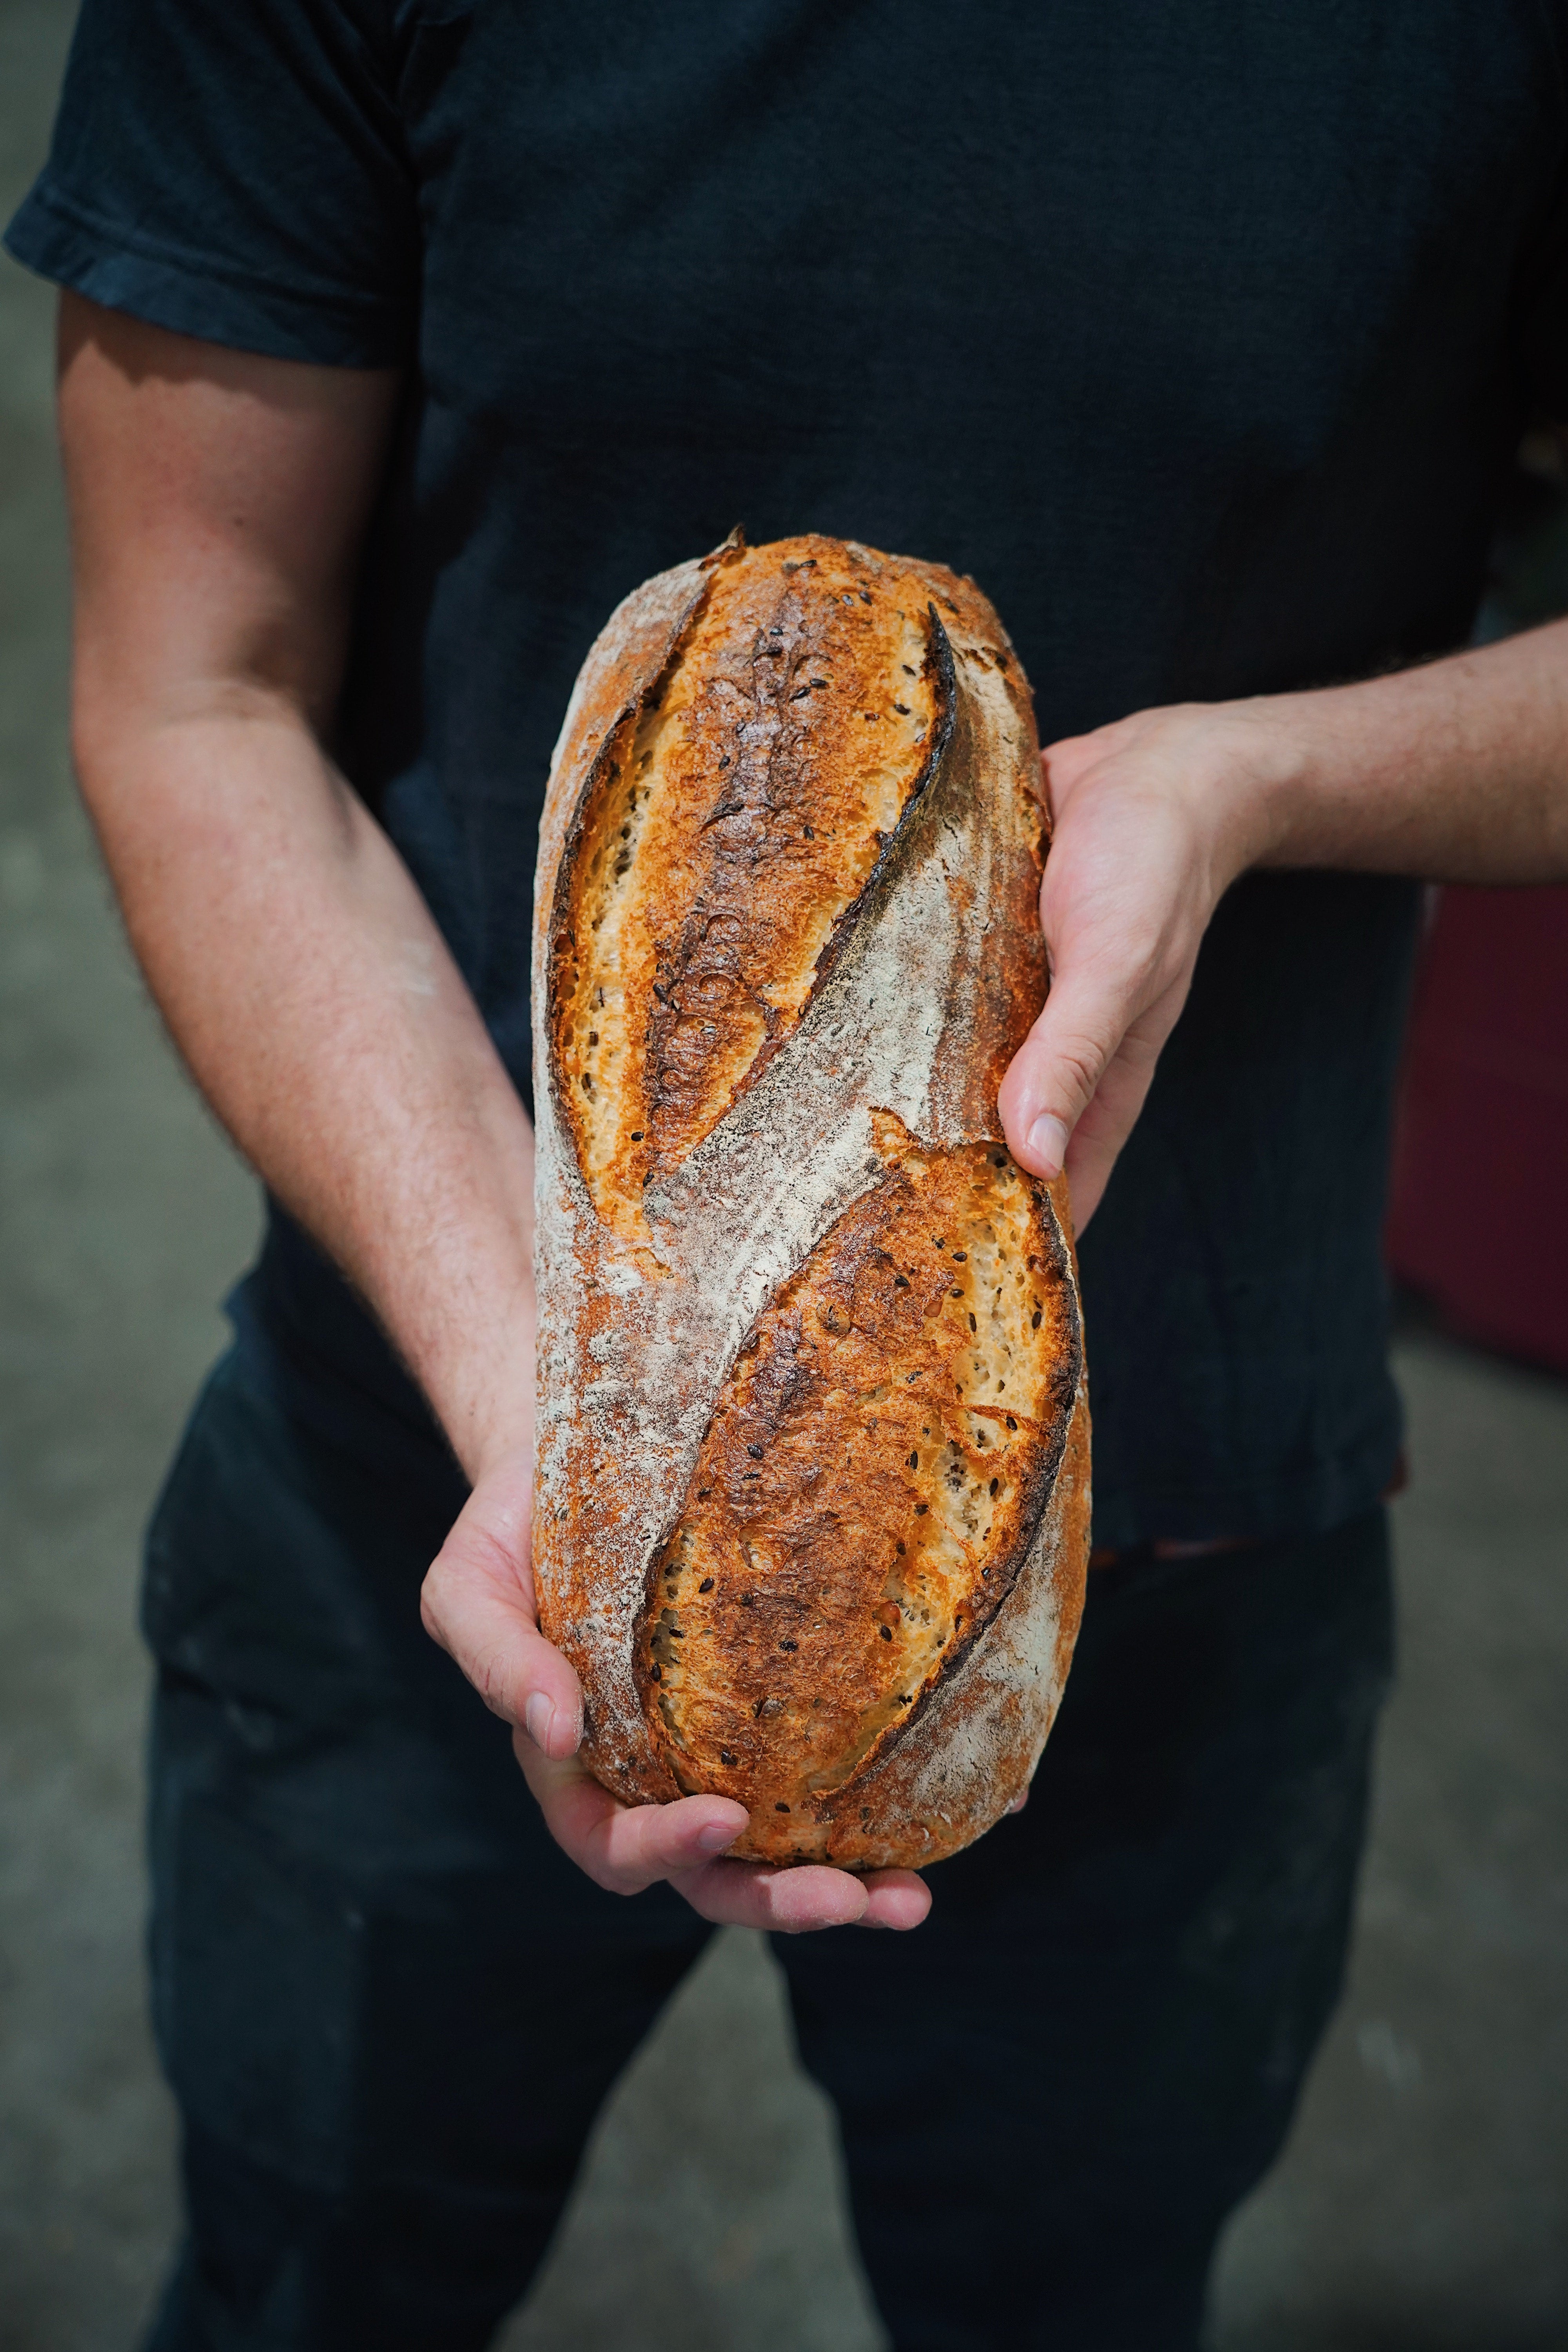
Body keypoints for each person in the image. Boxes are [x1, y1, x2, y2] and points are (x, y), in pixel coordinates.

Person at [8, 3, 1568, 2345]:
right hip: (425, 1486)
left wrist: (1258, 785)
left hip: (1195, 1525)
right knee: (311, 2284)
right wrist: (560, 1430)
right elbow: (190, 681)